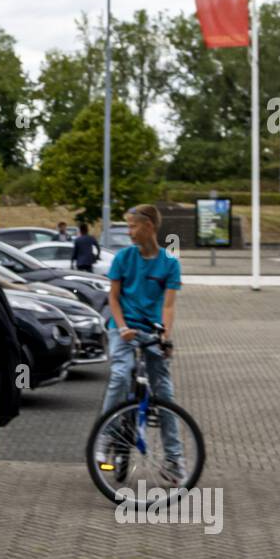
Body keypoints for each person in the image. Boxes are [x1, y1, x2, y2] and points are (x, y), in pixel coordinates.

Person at [100, 204, 185, 482]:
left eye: (133, 226)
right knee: (121, 373)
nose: (129, 232)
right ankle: (105, 435)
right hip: (123, 327)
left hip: (151, 331)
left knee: (164, 393)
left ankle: (173, 459)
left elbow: (168, 306)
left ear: (149, 226)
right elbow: (113, 298)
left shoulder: (169, 264)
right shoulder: (123, 258)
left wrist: (165, 338)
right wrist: (123, 327)